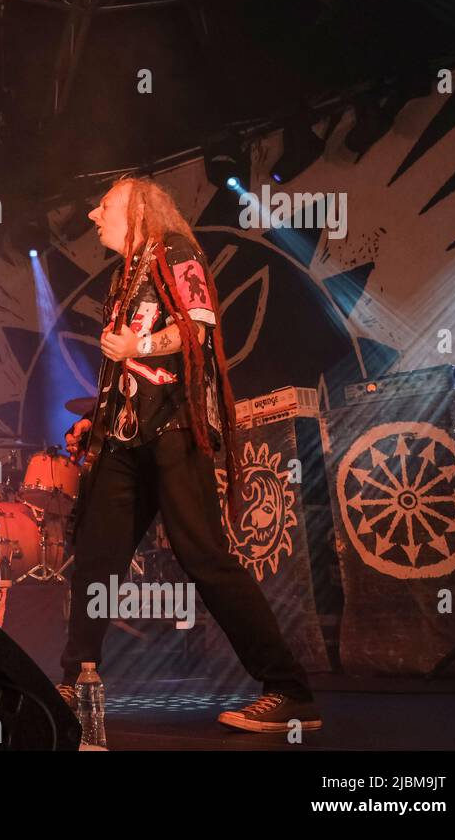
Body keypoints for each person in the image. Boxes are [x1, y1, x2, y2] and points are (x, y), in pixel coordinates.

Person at [59, 175, 321, 733]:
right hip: (125, 438)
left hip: (175, 429)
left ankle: (288, 689)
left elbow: (197, 329)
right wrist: (93, 420)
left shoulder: (175, 250)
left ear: (136, 208)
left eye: (103, 205)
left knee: (204, 556)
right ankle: (74, 681)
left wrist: (141, 345)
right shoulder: (125, 275)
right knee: (96, 557)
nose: (92, 217)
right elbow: (124, 370)